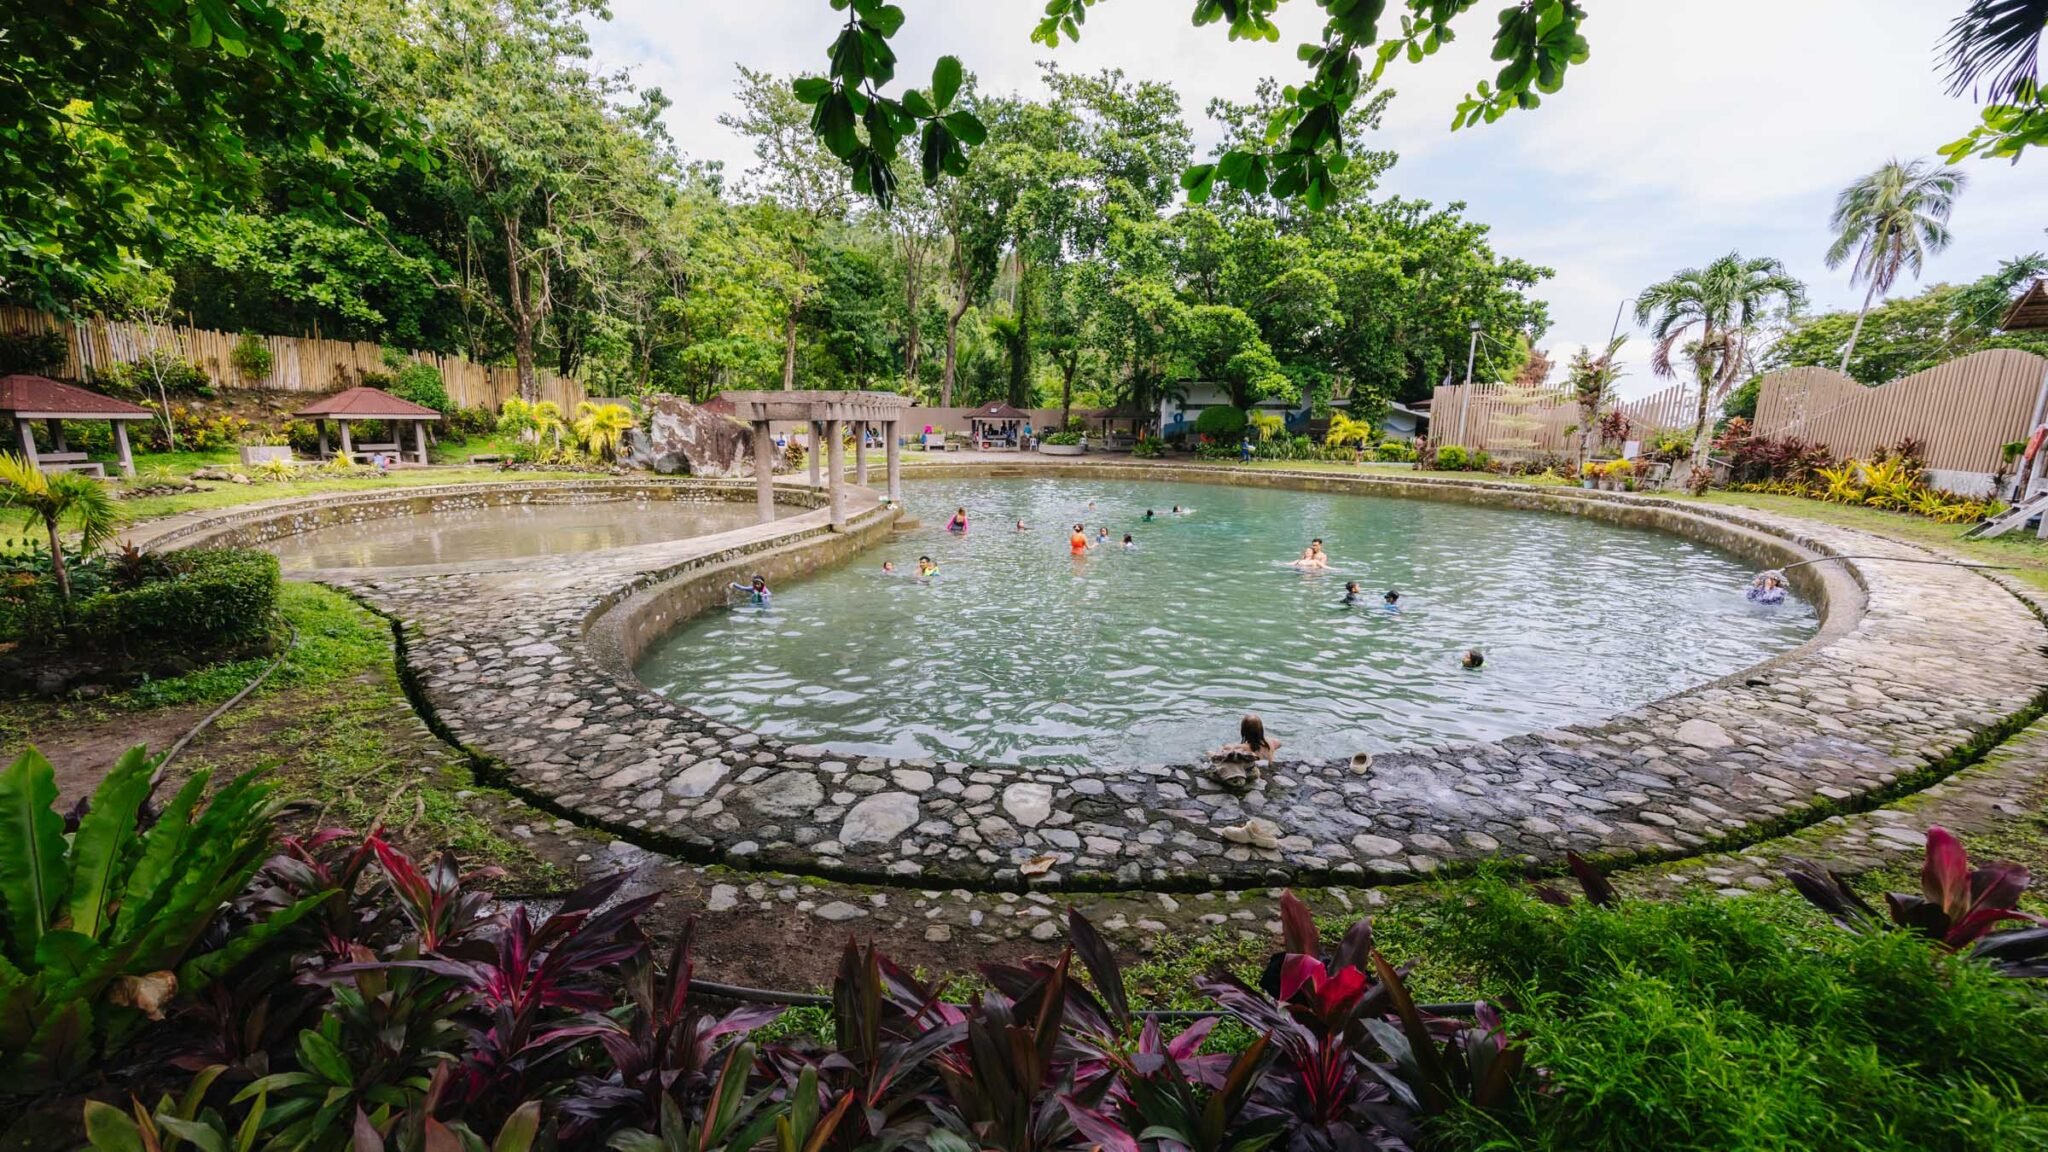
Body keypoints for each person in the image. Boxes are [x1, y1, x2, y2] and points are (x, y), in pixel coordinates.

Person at [1210, 714, 1282, 789]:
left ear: (1243, 731)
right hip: (1267, 766)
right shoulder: (1271, 742)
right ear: (1261, 729)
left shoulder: (1244, 747)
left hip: (1255, 769)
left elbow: (1227, 748)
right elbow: (1279, 743)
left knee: (1211, 753)